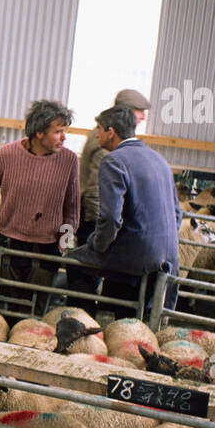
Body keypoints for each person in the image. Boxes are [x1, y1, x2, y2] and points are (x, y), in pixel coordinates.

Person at [65, 105, 181, 310]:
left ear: (111, 132)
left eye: (99, 129)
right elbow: (177, 215)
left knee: (75, 260)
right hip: (168, 256)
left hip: (137, 254)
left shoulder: (114, 161)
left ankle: (82, 319)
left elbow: (110, 218)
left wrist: (98, 246)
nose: (96, 134)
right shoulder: (159, 159)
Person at [0, 100, 80, 314]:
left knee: (36, 313)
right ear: (39, 133)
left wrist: (64, 243)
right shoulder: (7, 154)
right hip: (10, 245)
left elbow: (72, 207)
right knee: (3, 307)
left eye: (65, 131)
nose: (64, 137)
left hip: (47, 248)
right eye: (58, 131)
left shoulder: (69, 160)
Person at [78, 89, 150, 245]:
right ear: (125, 112)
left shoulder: (106, 135)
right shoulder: (104, 141)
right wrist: (99, 231)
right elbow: (96, 189)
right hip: (95, 219)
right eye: (139, 111)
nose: (143, 117)